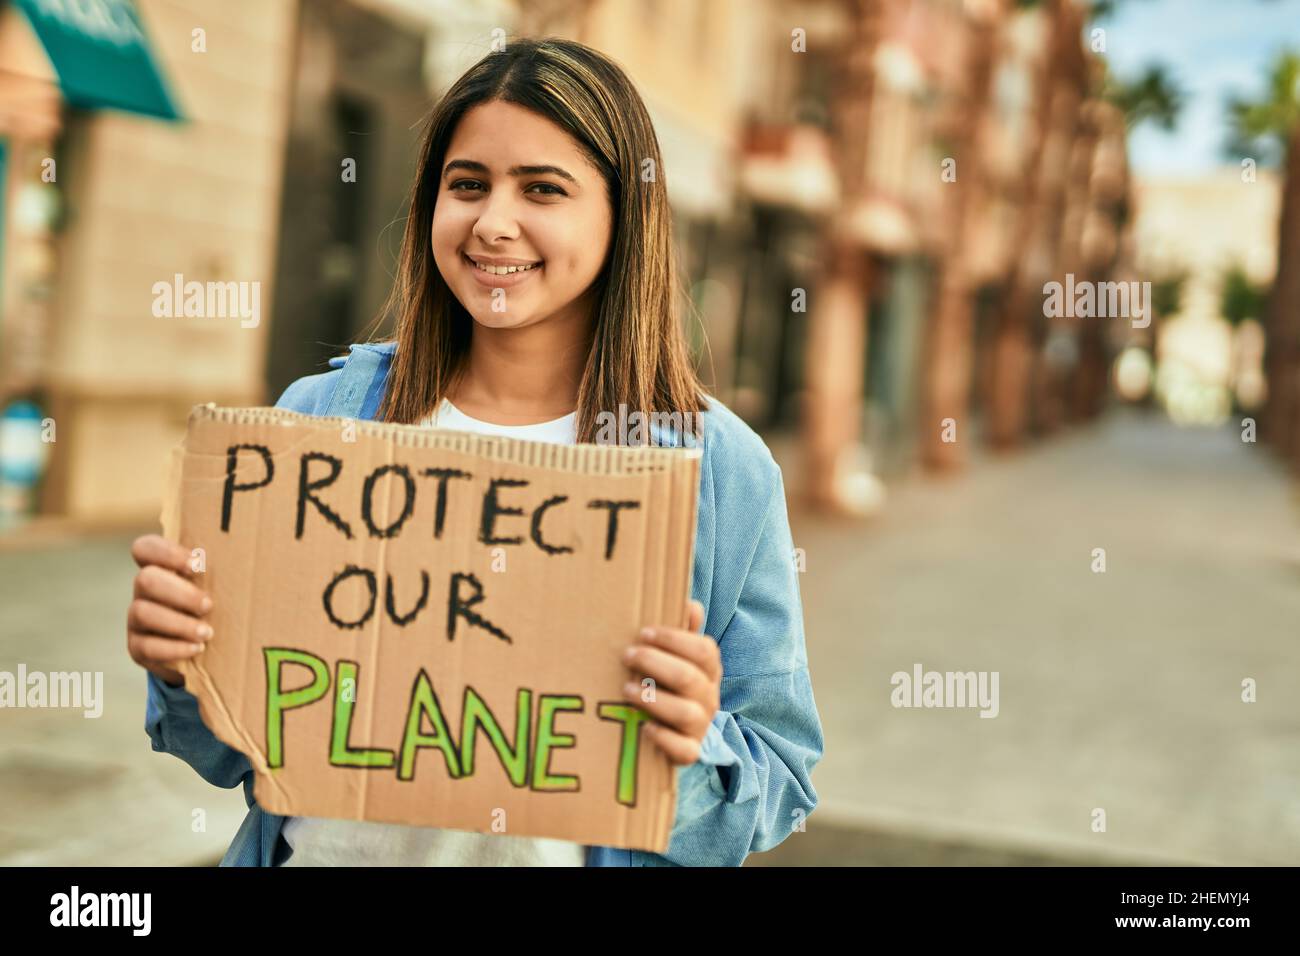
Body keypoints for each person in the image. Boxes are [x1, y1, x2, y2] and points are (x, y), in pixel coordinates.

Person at [127, 36, 822, 867]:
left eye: (542, 189)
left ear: (622, 213)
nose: (493, 222)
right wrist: (181, 665)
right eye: (467, 185)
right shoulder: (317, 422)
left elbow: (776, 788)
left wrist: (683, 750)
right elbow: (229, 754)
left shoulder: (722, 473)